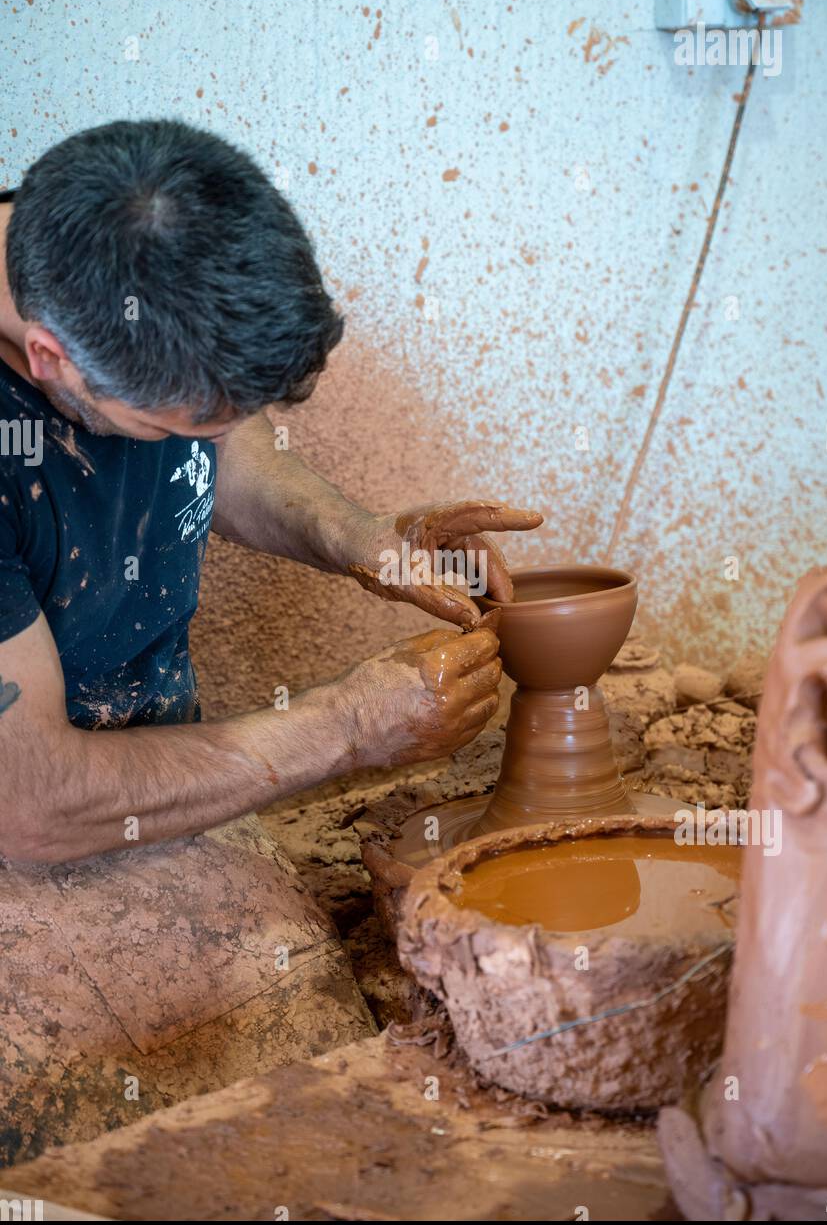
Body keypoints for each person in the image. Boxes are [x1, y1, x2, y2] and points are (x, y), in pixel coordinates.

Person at [0, 119, 542, 865]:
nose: (210, 432)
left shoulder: (90, 235)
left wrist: (356, 535)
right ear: (49, 362)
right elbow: (32, 806)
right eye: (170, 426)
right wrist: (345, 727)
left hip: (138, 778)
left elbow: (212, 431)